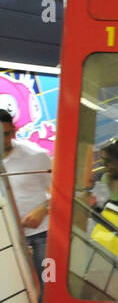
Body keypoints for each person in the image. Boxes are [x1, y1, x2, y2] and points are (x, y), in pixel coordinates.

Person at [1, 108, 53, 279]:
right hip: (7, 240)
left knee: (50, 283)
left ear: (13, 130)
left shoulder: (35, 155)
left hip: (43, 235)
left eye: (5, 134)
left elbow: (59, 191)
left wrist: (44, 209)